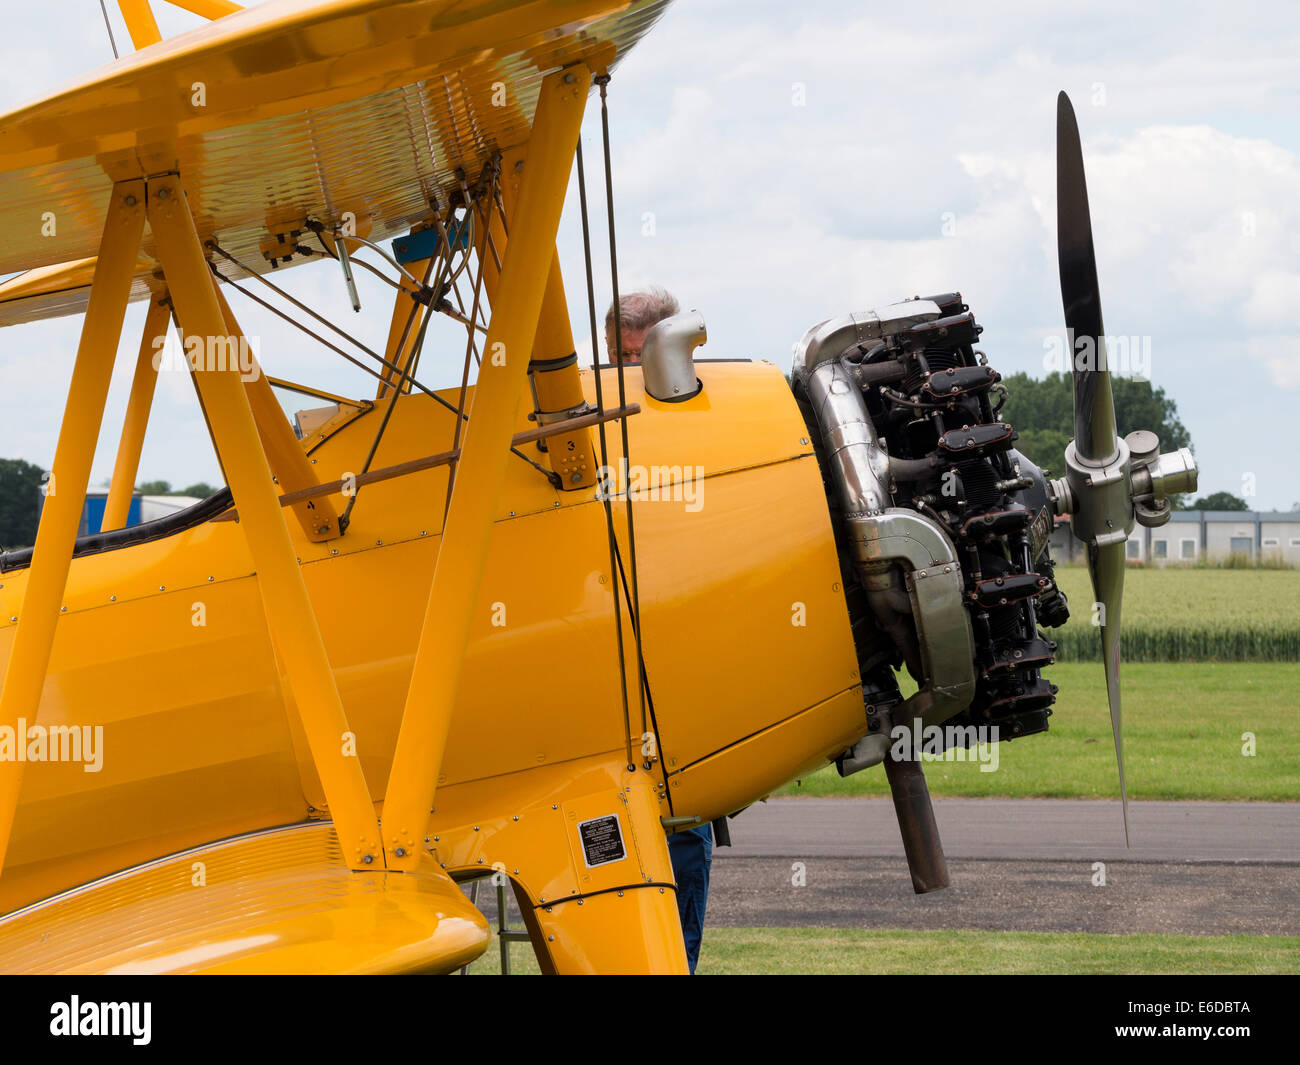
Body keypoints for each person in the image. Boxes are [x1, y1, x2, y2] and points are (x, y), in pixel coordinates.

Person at [604, 286, 680, 363]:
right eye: (623, 354)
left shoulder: (689, 373)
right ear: (607, 343)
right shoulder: (593, 374)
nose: (633, 362)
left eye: (642, 354)